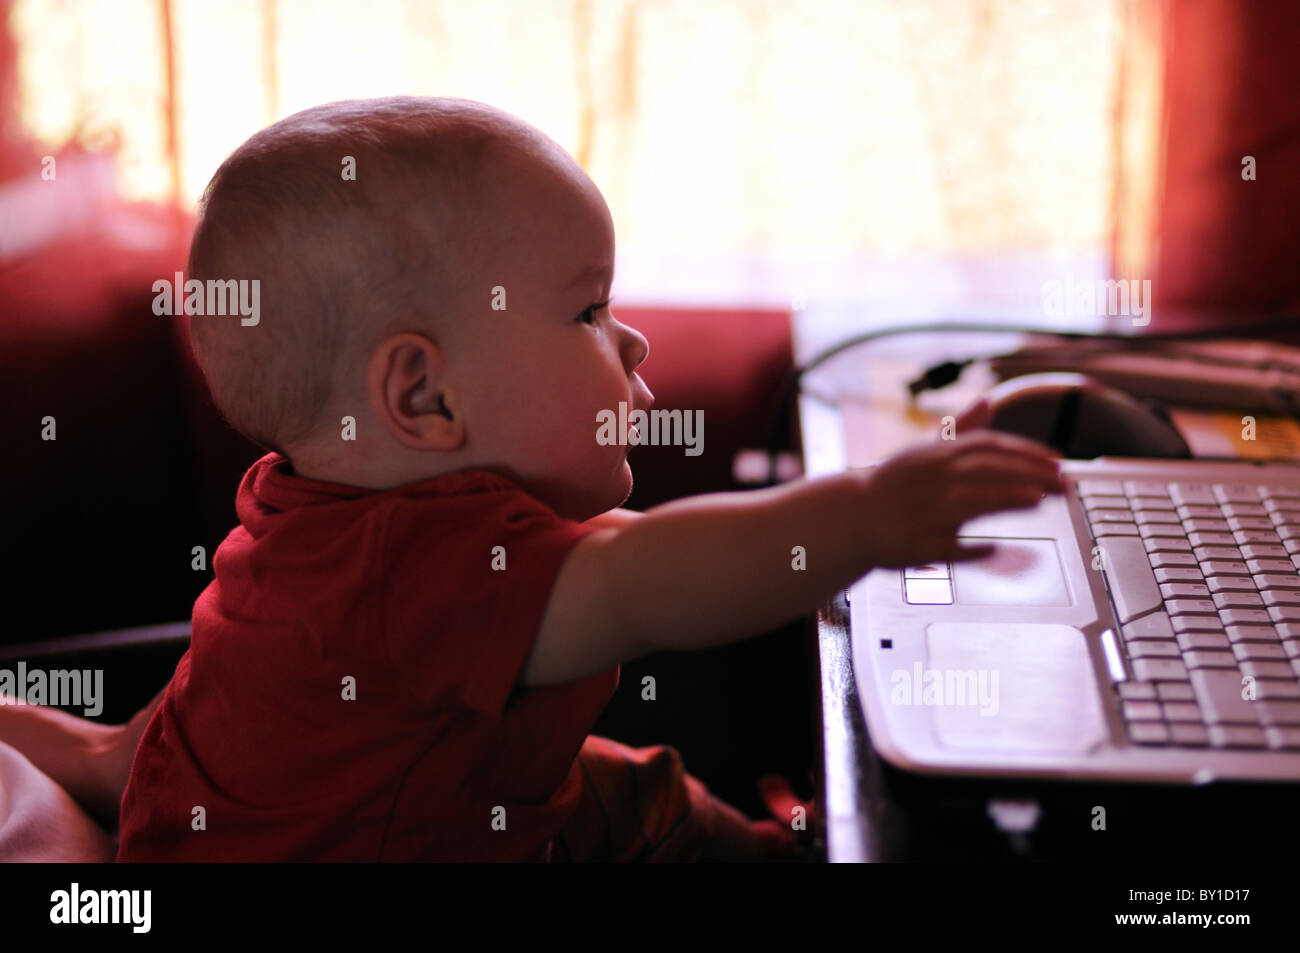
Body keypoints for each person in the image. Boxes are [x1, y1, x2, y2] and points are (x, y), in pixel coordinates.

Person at [4, 96, 1063, 861]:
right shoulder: (419, 564)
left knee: (620, 778)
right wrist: (871, 512)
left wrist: (92, 751)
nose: (634, 338)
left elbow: (208, 713)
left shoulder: (312, 503)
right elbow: (646, 576)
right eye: (588, 310)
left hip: (333, 786)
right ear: (424, 397)